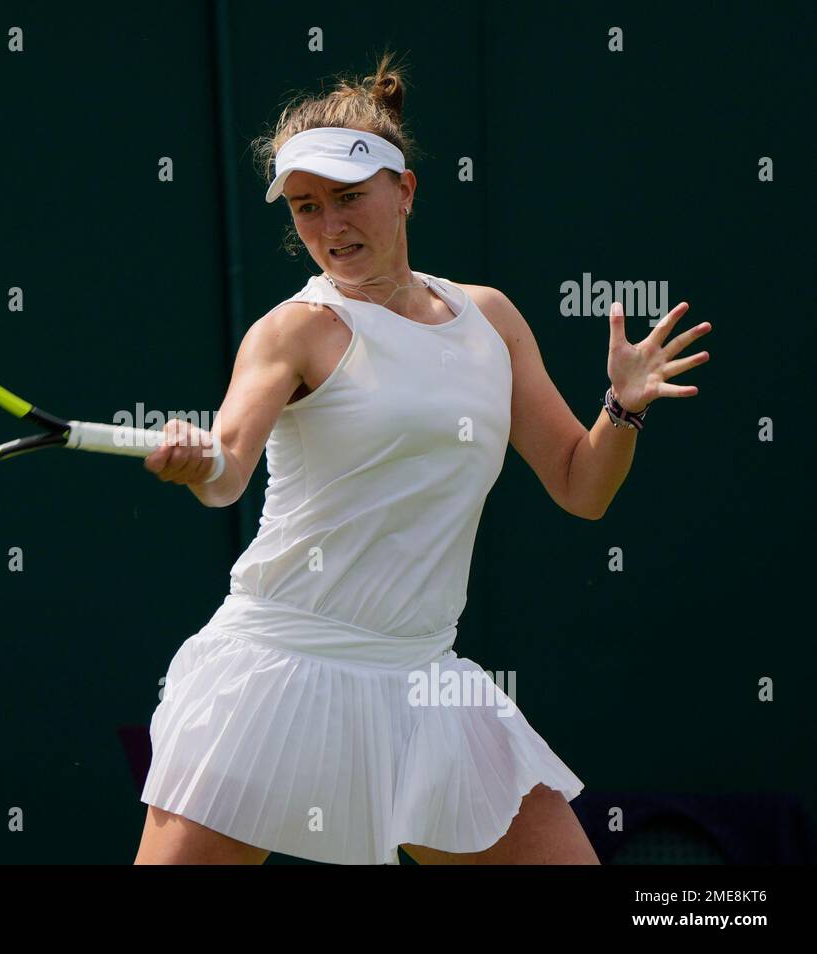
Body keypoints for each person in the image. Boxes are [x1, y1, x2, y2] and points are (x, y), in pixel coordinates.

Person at [135, 53, 711, 865]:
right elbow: (229, 464)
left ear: (404, 192)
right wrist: (201, 464)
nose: (329, 227)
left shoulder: (491, 320)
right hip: (275, 669)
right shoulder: (292, 330)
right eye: (305, 208)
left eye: (347, 198)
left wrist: (621, 408)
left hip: (422, 680)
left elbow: (583, 486)